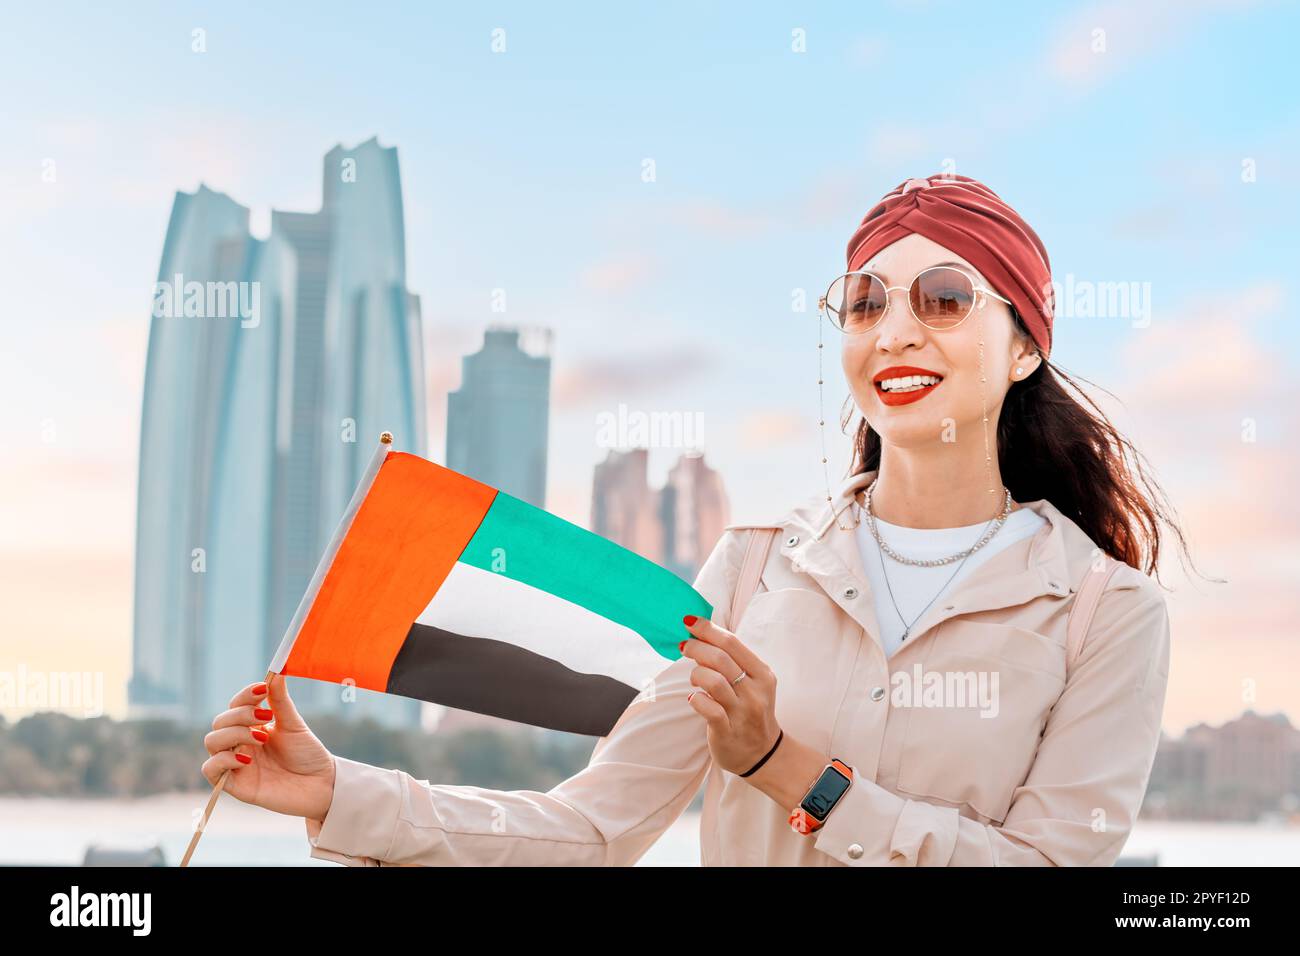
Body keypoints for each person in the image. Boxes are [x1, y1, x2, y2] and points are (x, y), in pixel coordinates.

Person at [203, 173, 1197, 866]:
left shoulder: (1105, 612)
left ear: (1024, 346)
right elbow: (594, 829)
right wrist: (339, 790)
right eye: (861, 302)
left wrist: (787, 768)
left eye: (943, 298)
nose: (892, 330)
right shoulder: (756, 570)